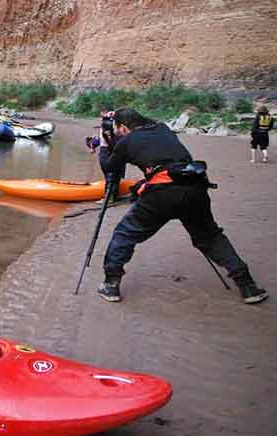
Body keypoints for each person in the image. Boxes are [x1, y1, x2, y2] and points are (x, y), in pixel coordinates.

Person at [97, 107, 268, 304]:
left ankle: (111, 284)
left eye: (118, 129)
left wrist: (104, 144)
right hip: (195, 186)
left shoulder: (126, 141)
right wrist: (118, 122)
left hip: (162, 194)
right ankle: (248, 286)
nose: (117, 133)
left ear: (124, 128)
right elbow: (148, 137)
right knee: (210, 237)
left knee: (125, 234)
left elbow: (109, 167)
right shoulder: (163, 128)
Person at [96, 109, 126, 203]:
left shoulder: (111, 126)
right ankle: (113, 196)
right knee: (114, 175)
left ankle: (109, 198)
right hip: (114, 151)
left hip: (109, 151)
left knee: (110, 175)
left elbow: (108, 139)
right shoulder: (116, 126)